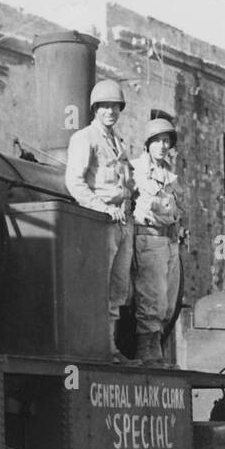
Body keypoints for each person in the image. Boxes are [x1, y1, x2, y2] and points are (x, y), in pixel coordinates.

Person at [65, 80, 135, 363]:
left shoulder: (119, 142)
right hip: (100, 223)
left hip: (123, 222)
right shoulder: (85, 138)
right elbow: (75, 182)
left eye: (115, 106)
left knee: (118, 289)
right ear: (95, 109)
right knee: (98, 286)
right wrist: (102, 208)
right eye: (105, 106)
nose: (110, 111)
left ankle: (111, 348)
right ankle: (96, 347)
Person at [131, 116, 182, 367]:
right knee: (152, 298)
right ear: (147, 144)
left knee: (168, 303)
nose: (162, 146)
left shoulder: (169, 176)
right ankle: (147, 352)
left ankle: (157, 348)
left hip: (169, 242)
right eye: (157, 141)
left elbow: (175, 211)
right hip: (148, 238)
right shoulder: (136, 170)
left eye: (166, 141)